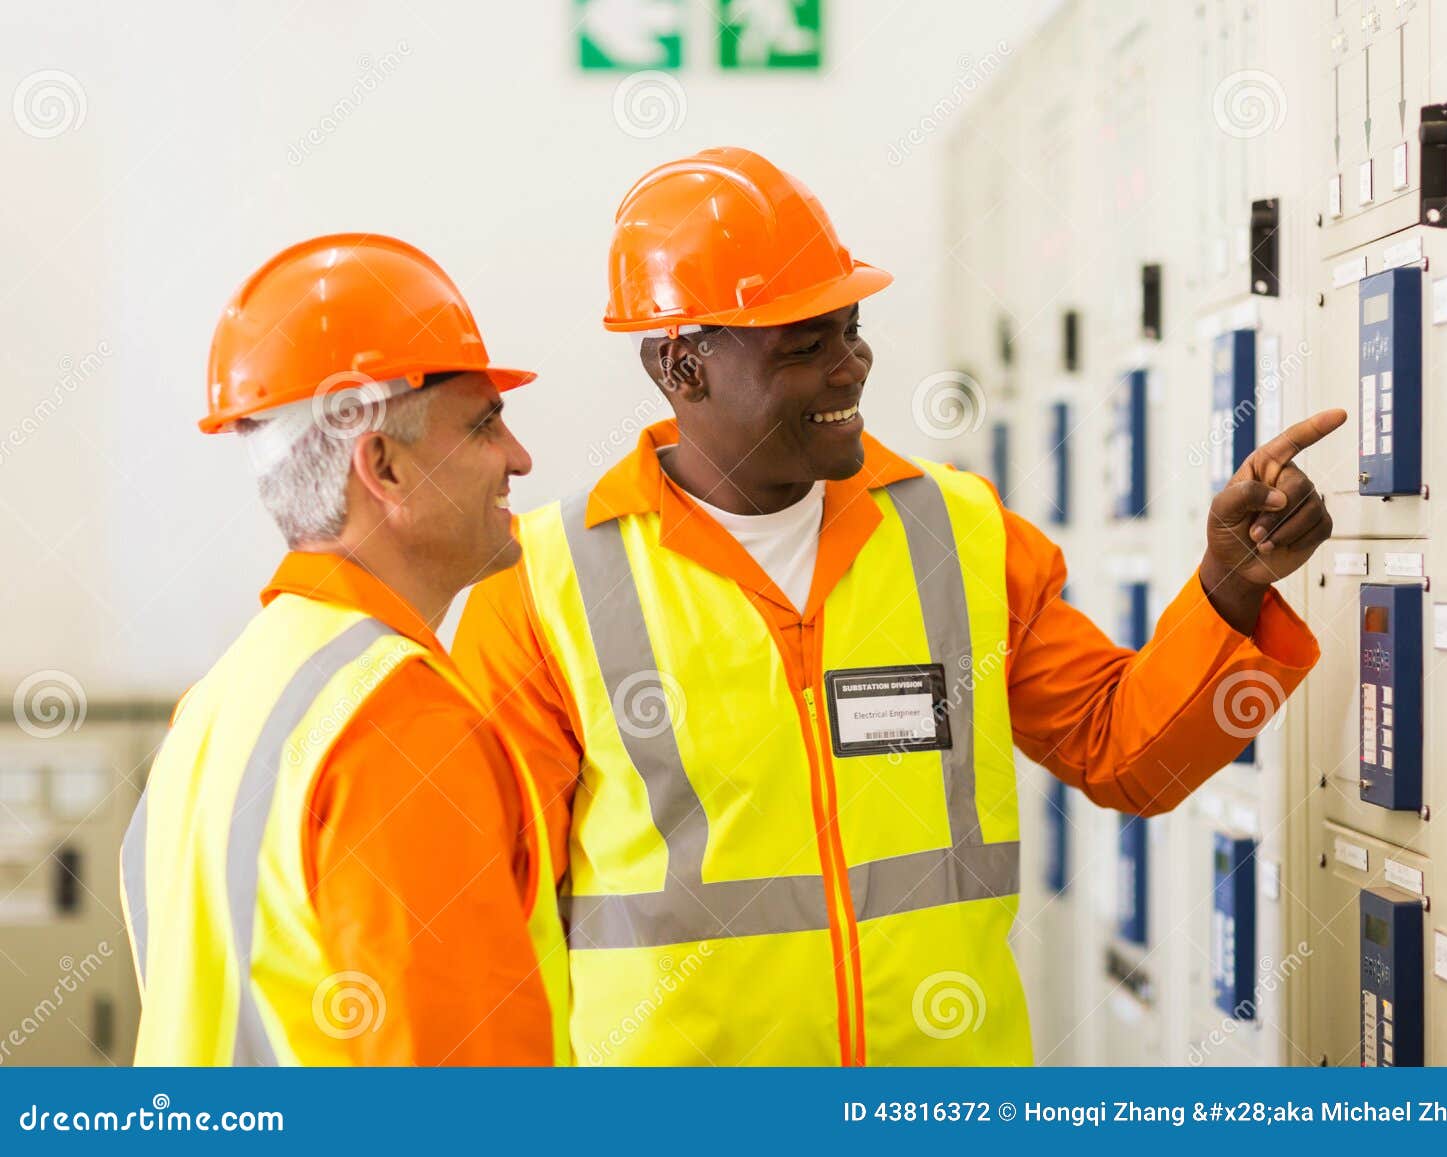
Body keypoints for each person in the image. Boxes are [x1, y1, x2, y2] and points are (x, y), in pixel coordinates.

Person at [454, 148, 1342, 1065]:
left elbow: (1128, 758)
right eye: (806, 343)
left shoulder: (959, 534)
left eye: (852, 327)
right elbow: (489, 916)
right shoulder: (543, 584)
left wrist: (1230, 585)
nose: (852, 367)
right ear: (683, 366)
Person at [119, 234, 568, 1066]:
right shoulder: (400, 723)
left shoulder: (217, 705)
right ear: (384, 468)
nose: (519, 457)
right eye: (484, 424)